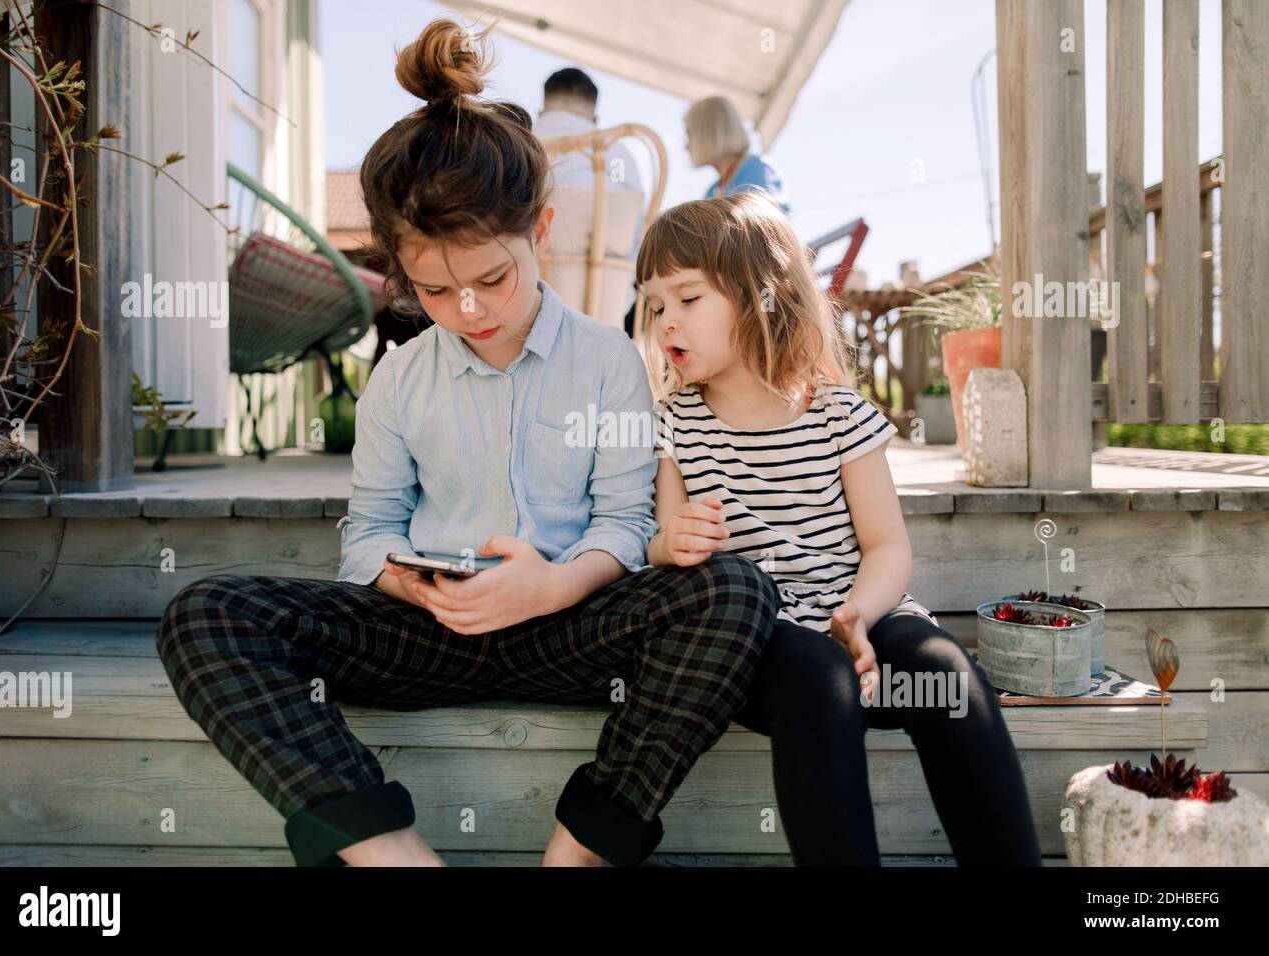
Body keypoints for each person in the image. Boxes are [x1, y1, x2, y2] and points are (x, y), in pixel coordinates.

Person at [155, 19, 780, 868]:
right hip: (430, 634)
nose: (471, 309)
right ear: (404, 274)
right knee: (206, 614)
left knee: (733, 592)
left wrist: (551, 587)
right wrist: (407, 581)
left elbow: (628, 524)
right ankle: (392, 856)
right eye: (436, 290)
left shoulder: (607, 360)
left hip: (574, 628)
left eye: (493, 278)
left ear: (542, 232)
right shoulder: (399, 378)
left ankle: (581, 853)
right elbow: (369, 530)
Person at [638, 191, 1042, 865]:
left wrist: (860, 612)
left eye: (687, 299)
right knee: (817, 674)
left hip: (863, 618)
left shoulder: (836, 415)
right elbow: (659, 540)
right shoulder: (676, 424)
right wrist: (671, 543)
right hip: (763, 651)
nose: (665, 322)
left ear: (760, 297)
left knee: (948, 672)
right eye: (654, 305)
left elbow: (887, 544)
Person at [534, 67, 645, 321]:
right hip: (605, 315)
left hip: (525, 312)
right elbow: (638, 245)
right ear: (595, 119)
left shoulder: (515, 143)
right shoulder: (620, 155)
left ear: (542, 111)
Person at [684, 95, 790, 216]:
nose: (686, 146)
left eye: (689, 136)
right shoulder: (711, 192)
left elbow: (768, 225)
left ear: (709, 135)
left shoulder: (756, 168)